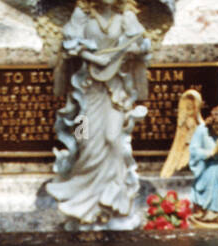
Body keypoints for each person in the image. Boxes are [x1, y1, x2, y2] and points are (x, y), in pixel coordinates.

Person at [47, 0, 150, 229]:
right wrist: (96, 59)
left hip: (115, 92)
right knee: (83, 140)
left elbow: (142, 45)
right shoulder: (82, 15)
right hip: (85, 95)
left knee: (114, 139)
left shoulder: (126, 17)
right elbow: (69, 44)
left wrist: (128, 52)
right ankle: (83, 204)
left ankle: (113, 200)